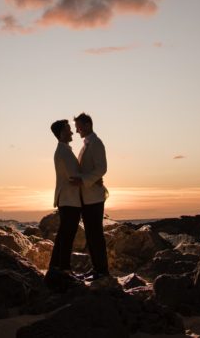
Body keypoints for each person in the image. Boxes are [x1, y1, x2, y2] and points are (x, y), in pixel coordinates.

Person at [71, 112, 109, 280]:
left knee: (96, 235)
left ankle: (102, 271)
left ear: (87, 125)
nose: (77, 130)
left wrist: (84, 181)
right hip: (86, 197)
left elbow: (102, 169)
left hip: (94, 197)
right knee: (91, 235)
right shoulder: (86, 144)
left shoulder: (96, 143)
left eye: (79, 127)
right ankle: (97, 269)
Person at [46, 119, 82, 278]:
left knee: (63, 234)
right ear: (61, 133)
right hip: (69, 199)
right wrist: (92, 179)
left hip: (66, 199)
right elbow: (74, 176)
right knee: (67, 234)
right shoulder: (64, 151)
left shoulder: (63, 150)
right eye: (68, 129)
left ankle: (55, 267)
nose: (72, 132)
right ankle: (64, 268)